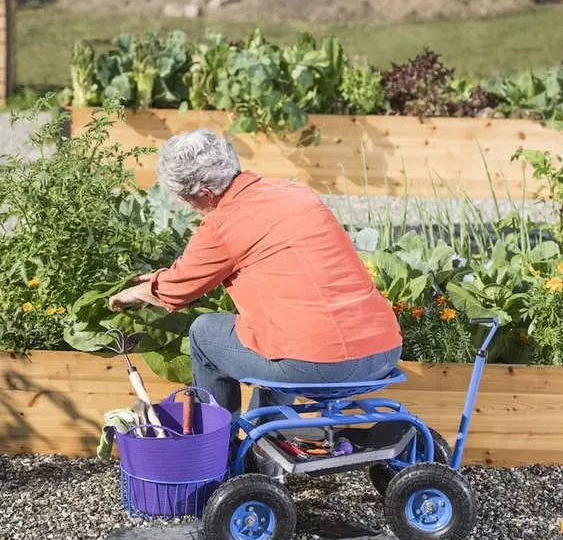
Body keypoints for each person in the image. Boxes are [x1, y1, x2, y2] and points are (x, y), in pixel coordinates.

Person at [108, 128, 402, 420]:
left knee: (204, 333)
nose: (186, 205)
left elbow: (176, 290)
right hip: (383, 351)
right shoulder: (295, 193)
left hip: (322, 365)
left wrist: (135, 292)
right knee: (276, 332)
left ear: (207, 194)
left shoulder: (223, 223)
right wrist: (160, 278)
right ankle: (266, 441)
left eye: (185, 198)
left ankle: (219, 448)